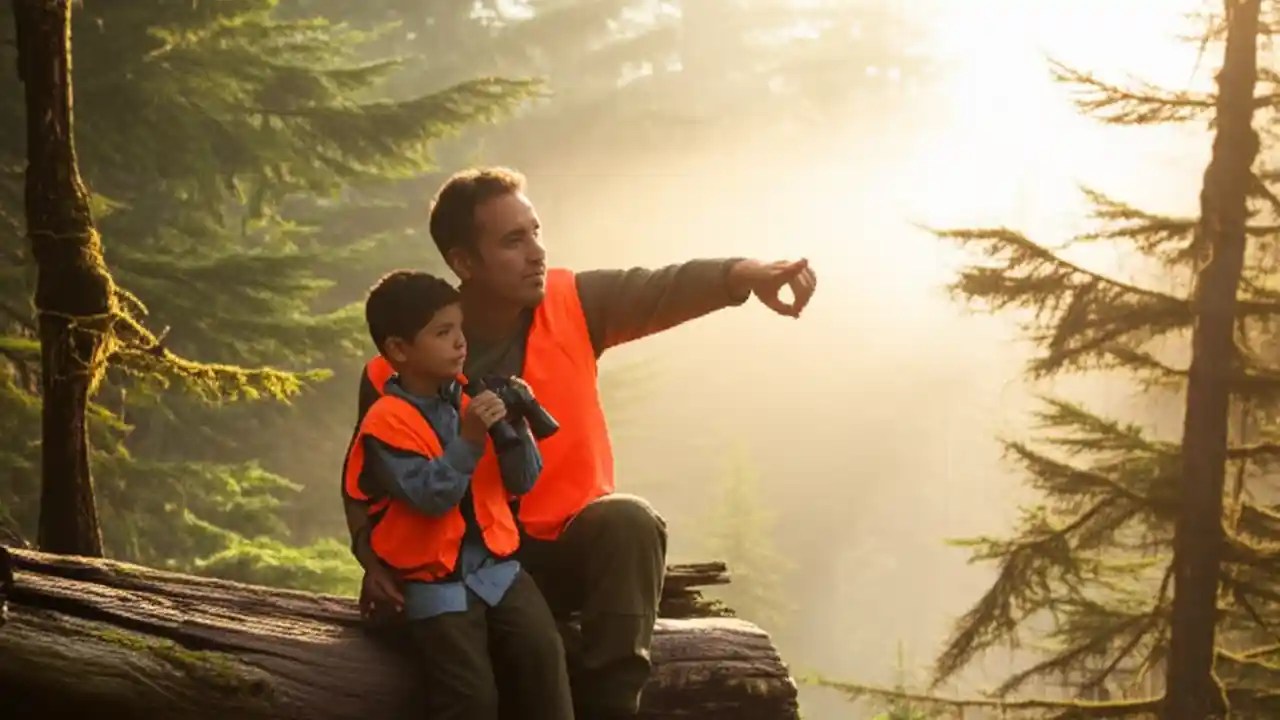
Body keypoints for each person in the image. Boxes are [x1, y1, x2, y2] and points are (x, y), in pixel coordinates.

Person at [344, 167, 817, 719]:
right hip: (452, 570)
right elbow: (364, 483)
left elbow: (661, 287)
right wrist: (369, 559)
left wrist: (745, 275)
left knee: (629, 520)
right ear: (463, 263)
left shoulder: (574, 303)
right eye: (513, 241)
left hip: (558, 553)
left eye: (537, 232)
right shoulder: (390, 374)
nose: (537, 252)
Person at [343, 269, 573, 720]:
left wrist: (515, 428)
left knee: (545, 658)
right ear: (398, 350)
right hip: (433, 582)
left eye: (459, 329)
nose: (459, 343)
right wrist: (469, 440)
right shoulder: (386, 423)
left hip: (496, 567)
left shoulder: (470, 400)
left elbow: (523, 481)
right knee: (470, 699)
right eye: (443, 333)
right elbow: (432, 497)